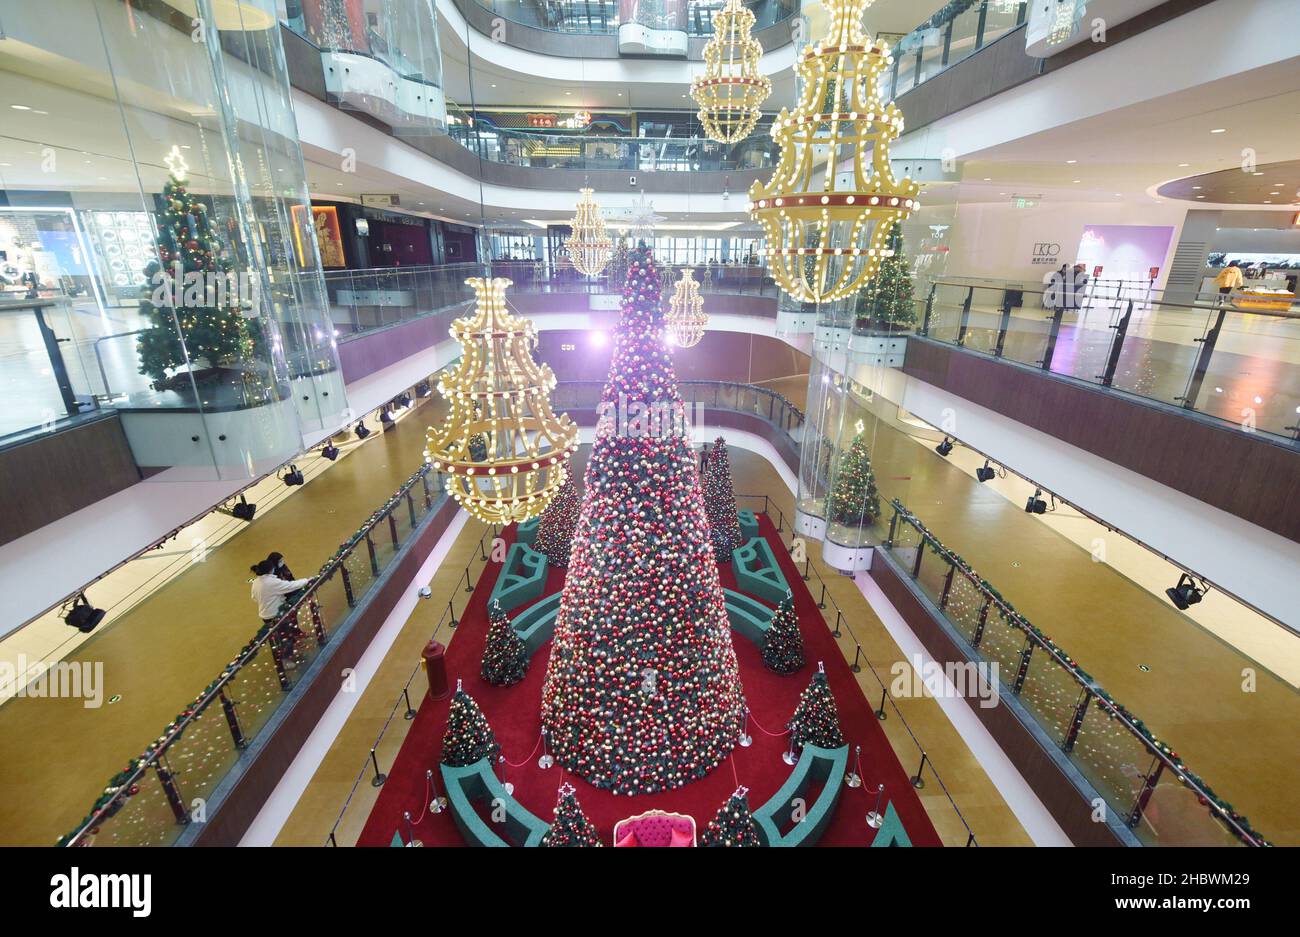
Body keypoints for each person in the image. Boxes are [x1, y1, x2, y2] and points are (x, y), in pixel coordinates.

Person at [250, 559, 313, 665]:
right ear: (270, 570)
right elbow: (290, 586)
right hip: (276, 614)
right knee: (285, 637)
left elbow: (254, 597)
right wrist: (307, 580)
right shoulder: (272, 582)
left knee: (278, 637)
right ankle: (286, 660)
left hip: (265, 616)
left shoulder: (256, 582)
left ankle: (284, 655)